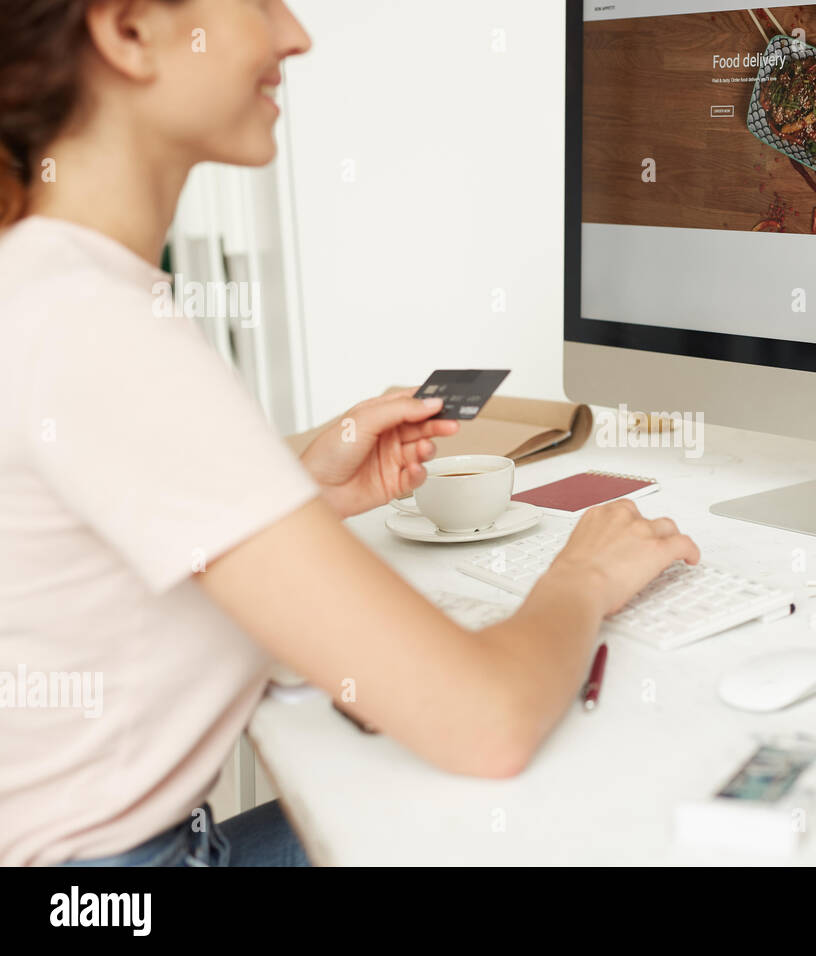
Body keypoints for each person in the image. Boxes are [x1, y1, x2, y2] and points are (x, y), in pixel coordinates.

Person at [0, 0, 699, 866]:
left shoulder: (49, 286)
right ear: (129, 31)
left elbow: (109, 555)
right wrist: (583, 575)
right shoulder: (92, 324)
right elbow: (487, 722)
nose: (294, 35)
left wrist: (304, 491)